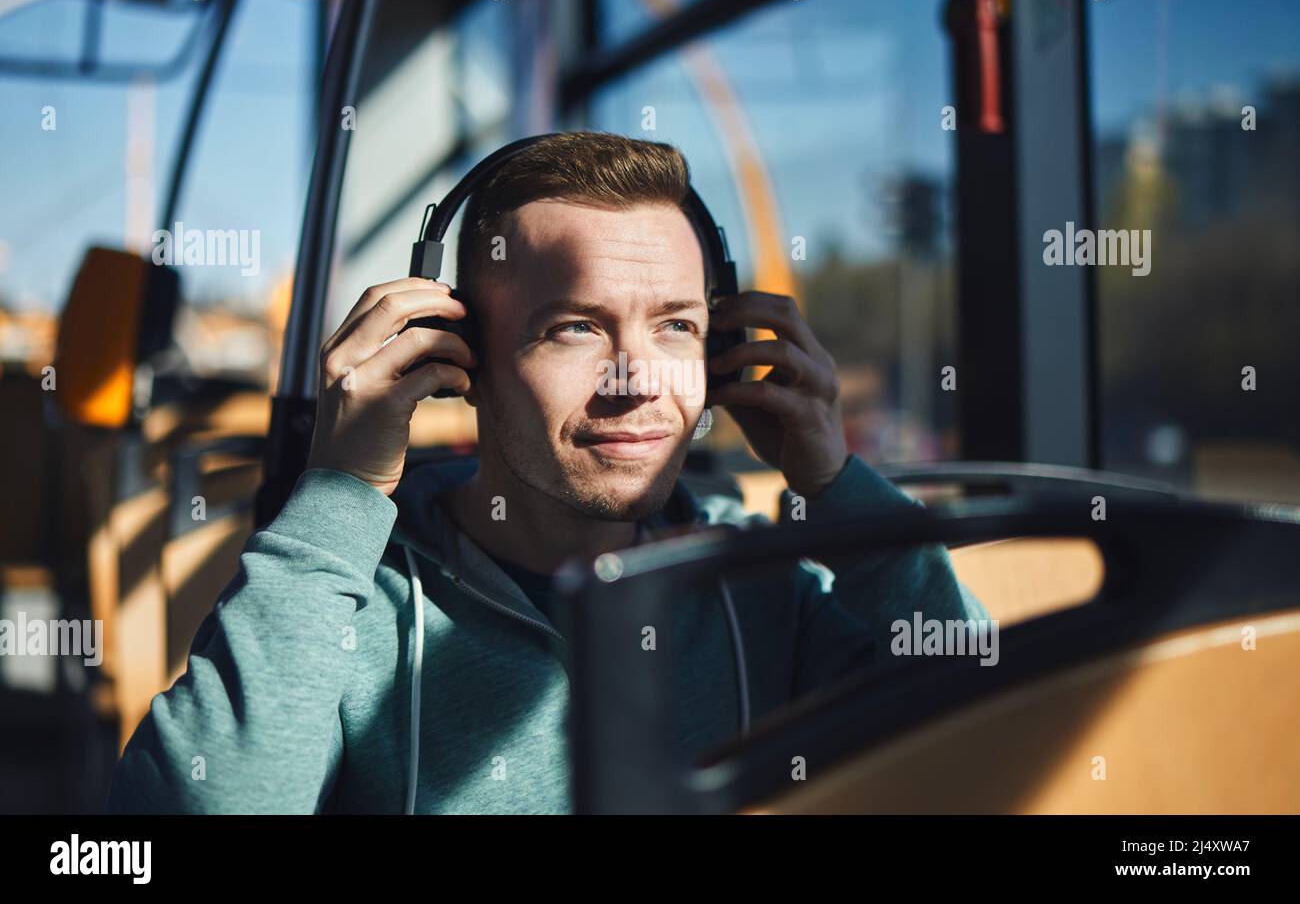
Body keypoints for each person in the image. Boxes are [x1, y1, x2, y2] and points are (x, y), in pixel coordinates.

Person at [108, 131, 986, 814]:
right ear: (457, 357)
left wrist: (834, 481)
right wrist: (339, 494)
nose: (636, 381)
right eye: (574, 327)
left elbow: (994, 728)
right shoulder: (349, 602)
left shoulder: (755, 588)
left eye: (676, 326)